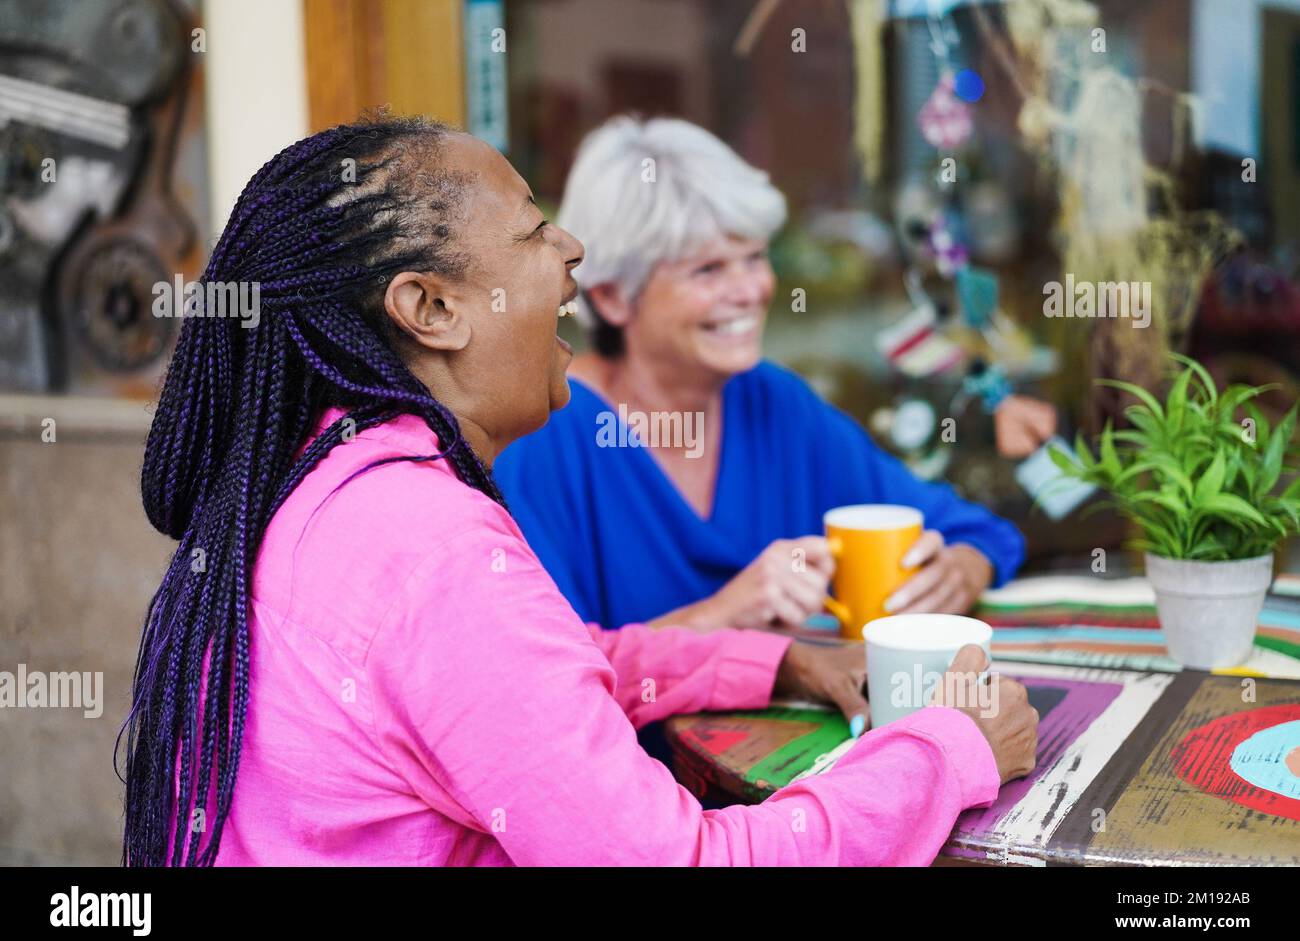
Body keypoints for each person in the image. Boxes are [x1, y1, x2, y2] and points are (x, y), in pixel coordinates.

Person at [121, 117, 1038, 866]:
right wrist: (951, 750)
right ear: (430, 309)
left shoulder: (343, 486)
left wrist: (774, 662)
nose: (572, 253)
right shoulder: (438, 553)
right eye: (532, 230)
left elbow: (536, 683)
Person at [492, 116, 1027, 632]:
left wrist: (960, 569)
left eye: (754, 258)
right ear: (611, 297)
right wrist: (723, 615)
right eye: (708, 270)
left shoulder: (774, 404)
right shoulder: (544, 438)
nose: (749, 291)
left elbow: (974, 530)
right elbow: (553, 682)